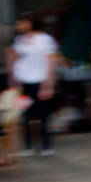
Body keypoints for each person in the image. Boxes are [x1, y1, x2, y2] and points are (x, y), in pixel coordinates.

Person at [11, 14, 58, 156]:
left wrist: (48, 84)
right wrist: (15, 81)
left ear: (30, 23)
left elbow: (51, 61)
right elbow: (15, 60)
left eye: (21, 23)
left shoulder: (45, 40)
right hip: (24, 83)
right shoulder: (19, 40)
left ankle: (46, 145)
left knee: (43, 115)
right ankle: (28, 146)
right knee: (25, 115)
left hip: (40, 82)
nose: (18, 27)